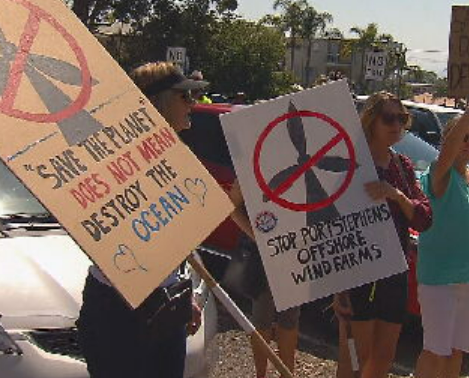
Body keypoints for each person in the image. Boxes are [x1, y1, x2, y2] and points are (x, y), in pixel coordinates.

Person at [77, 62, 208, 378]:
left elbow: (174, 243)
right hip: (119, 310)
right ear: (159, 102)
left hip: (166, 306)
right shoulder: (113, 162)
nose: (193, 104)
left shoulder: (176, 159)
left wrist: (182, 294)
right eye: (184, 96)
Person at [333, 91, 433, 378]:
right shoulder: (350, 164)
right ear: (371, 121)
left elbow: (425, 218)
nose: (397, 125)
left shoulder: (403, 166)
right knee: (353, 358)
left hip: (395, 271)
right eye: (389, 118)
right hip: (360, 273)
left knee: (383, 359)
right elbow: (335, 227)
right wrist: (340, 288)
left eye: (402, 119)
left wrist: (397, 196)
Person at [414, 91, 469, 378]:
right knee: (435, 351)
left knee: (457, 351)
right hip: (440, 277)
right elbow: (447, 155)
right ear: (448, 142)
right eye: (463, 137)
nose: (468, 143)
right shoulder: (438, 175)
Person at [225, 181, 301, 378]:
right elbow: (232, 206)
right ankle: (261, 375)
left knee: (289, 319)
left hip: (296, 252)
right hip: (263, 258)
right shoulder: (251, 165)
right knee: (262, 319)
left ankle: (287, 373)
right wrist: (258, 238)